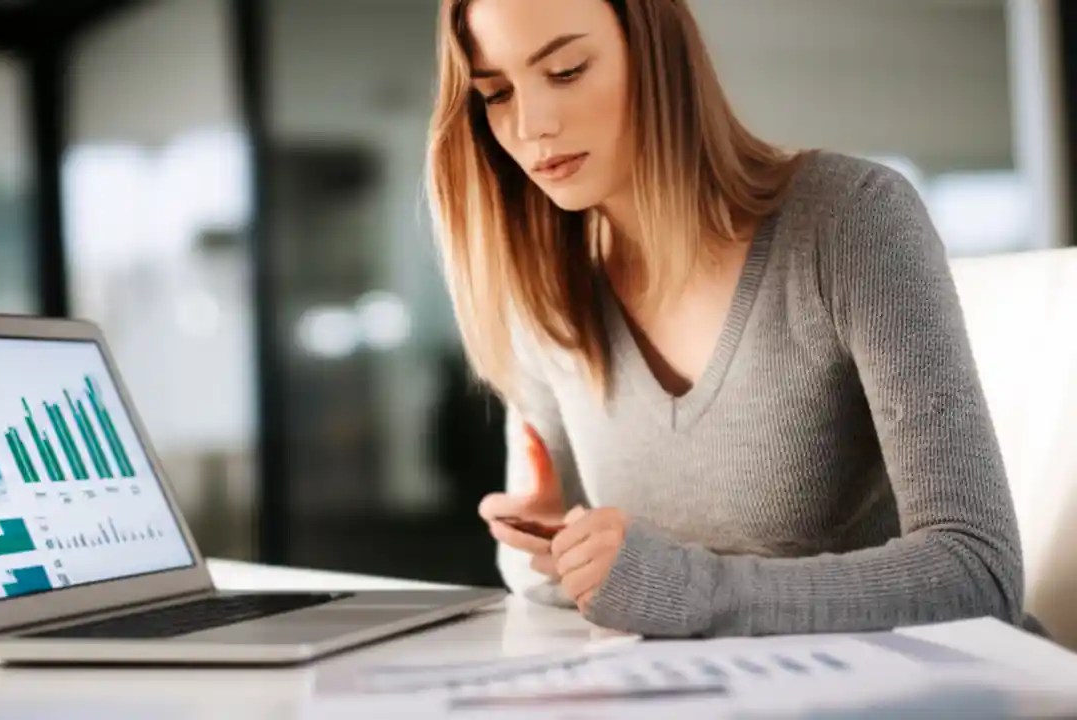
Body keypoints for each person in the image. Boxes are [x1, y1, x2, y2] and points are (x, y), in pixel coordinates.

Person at [425, 0, 1025, 638]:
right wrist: (555, 552)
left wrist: (689, 588)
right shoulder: (542, 281)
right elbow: (586, 587)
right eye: (495, 93)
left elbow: (979, 573)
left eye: (567, 71)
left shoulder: (852, 220)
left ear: (658, 54)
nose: (530, 124)